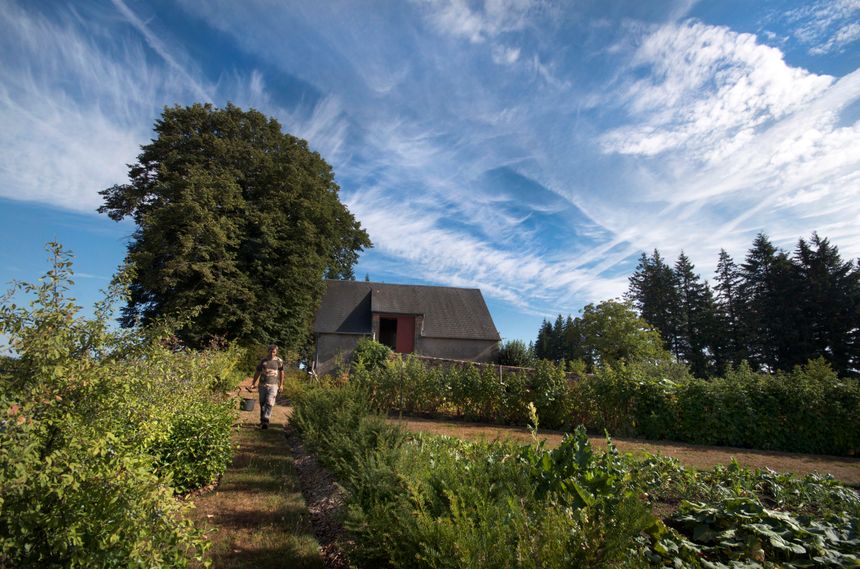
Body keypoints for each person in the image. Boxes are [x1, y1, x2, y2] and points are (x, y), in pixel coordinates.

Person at [250, 344, 284, 429]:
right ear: (268, 351)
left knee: (270, 402)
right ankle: (262, 420)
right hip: (262, 385)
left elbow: (281, 373)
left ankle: (266, 420)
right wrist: (253, 383)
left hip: (274, 385)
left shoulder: (279, 361)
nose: (272, 353)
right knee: (262, 403)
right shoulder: (263, 361)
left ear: (276, 352)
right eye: (270, 351)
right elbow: (257, 372)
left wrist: (281, 385)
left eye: (274, 352)